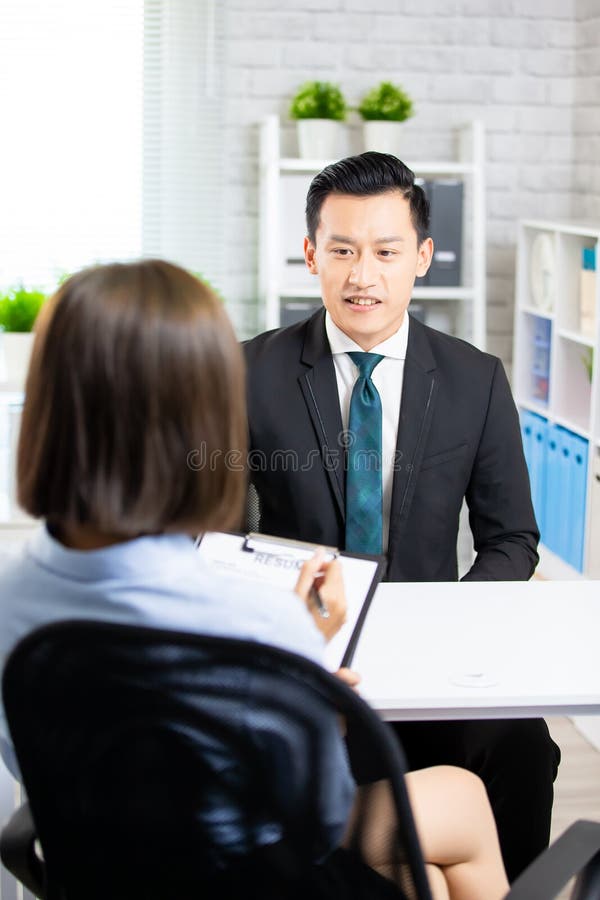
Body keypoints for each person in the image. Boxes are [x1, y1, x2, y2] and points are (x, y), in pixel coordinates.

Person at [0, 259, 509, 900]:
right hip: (243, 875)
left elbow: (50, 764)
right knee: (460, 802)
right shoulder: (257, 627)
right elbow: (316, 818)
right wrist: (313, 694)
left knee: (426, 878)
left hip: (109, 872)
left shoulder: (11, 597)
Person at [244, 152, 561, 881]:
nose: (363, 275)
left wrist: (450, 626)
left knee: (523, 748)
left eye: (386, 252)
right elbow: (223, 539)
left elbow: (512, 537)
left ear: (421, 256)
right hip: (312, 657)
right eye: (343, 250)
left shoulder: (474, 379)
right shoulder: (249, 373)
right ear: (310, 255)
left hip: (435, 653)